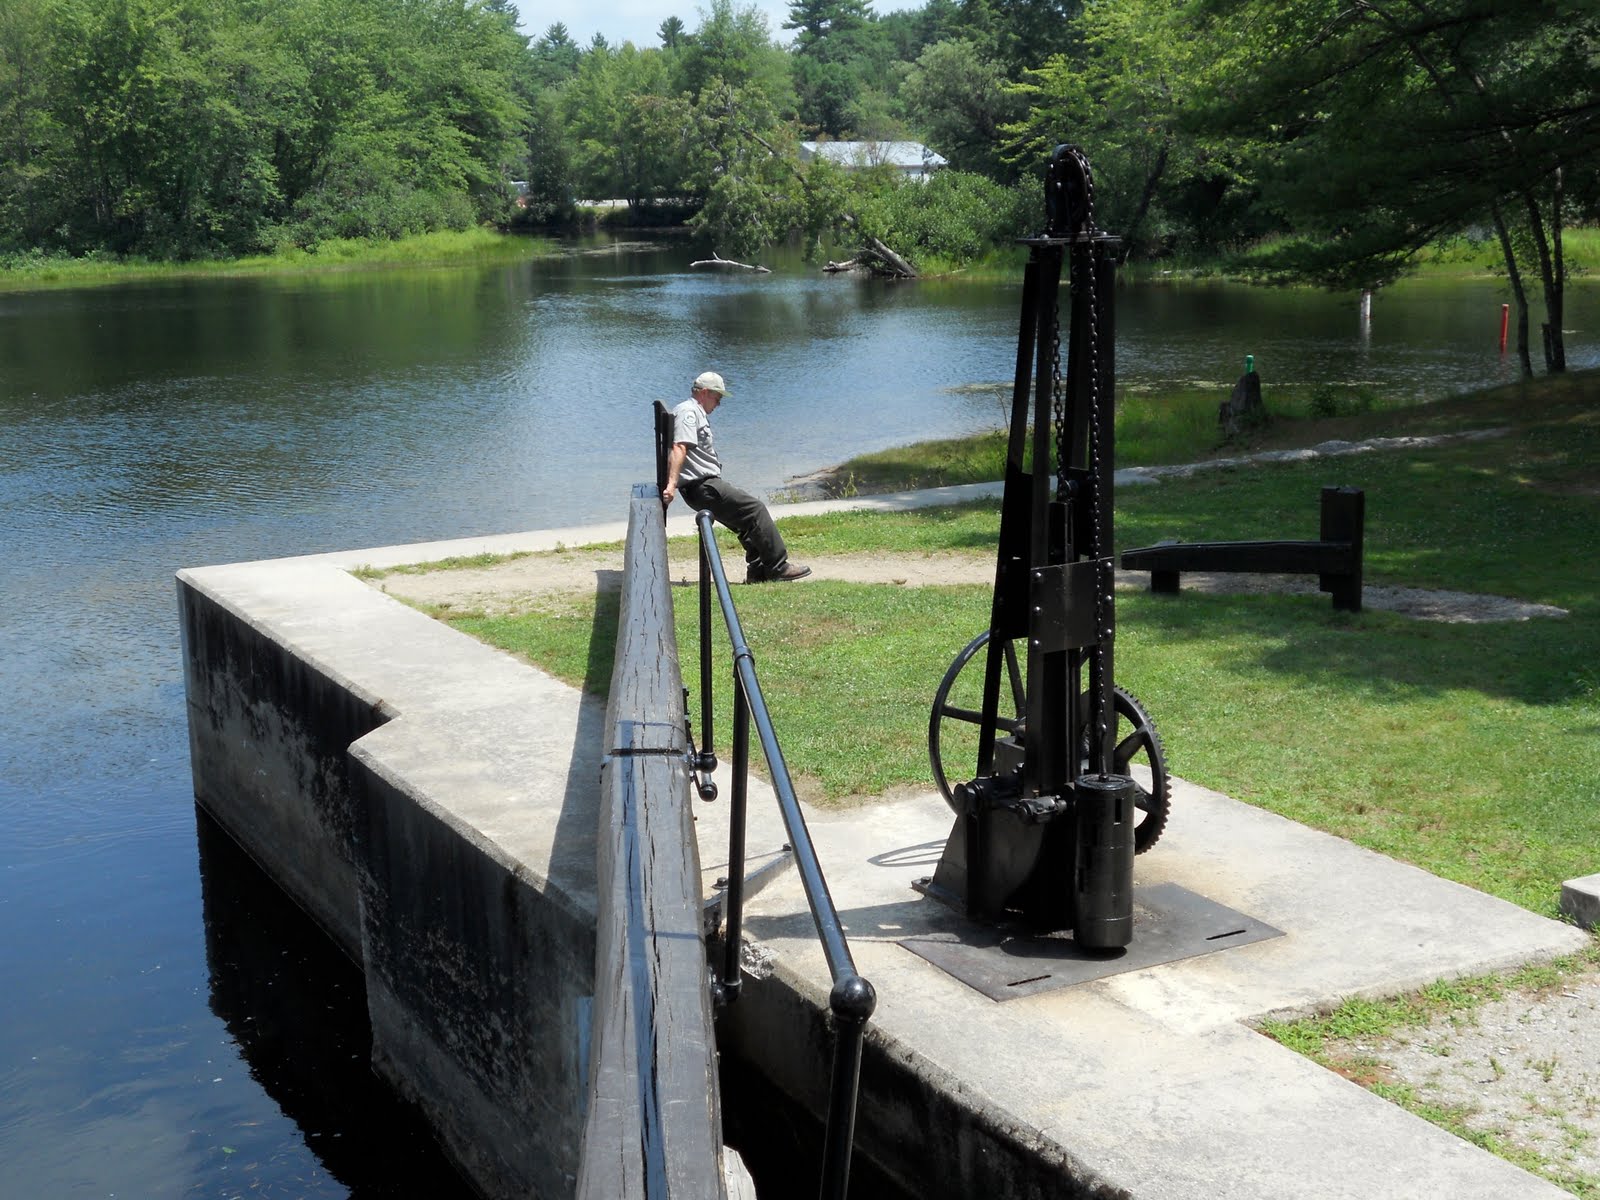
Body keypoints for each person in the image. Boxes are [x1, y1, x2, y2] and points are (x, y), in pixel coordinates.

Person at [661, 371, 811, 583]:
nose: (719, 404)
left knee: (745, 521)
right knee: (755, 510)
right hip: (703, 486)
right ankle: (778, 567)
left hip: (703, 486)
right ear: (704, 393)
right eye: (717, 397)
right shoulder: (688, 412)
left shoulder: (693, 412)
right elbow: (679, 448)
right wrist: (671, 485)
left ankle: (758, 572)